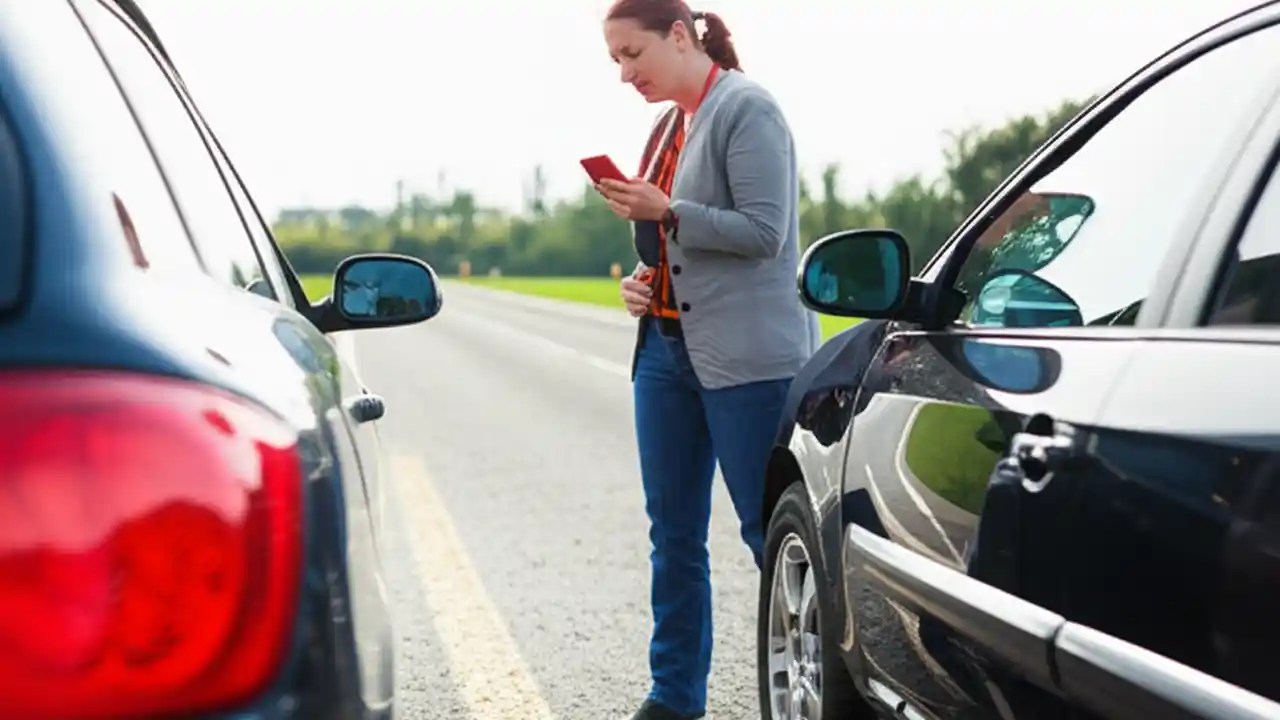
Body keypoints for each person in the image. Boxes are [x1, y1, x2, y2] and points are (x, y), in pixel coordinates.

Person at [595, 2, 820, 718]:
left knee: (769, 535)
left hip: (747, 361)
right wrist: (642, 282)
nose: (626, 74)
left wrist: (665, 212)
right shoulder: (668, 126)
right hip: (664, 354)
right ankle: (673, 698)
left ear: (682, 36)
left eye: (634, 54)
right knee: (675, 539)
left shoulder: (747, 109)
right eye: (616, 62)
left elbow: (764, 231)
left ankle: (816, 689)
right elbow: (672, 246)